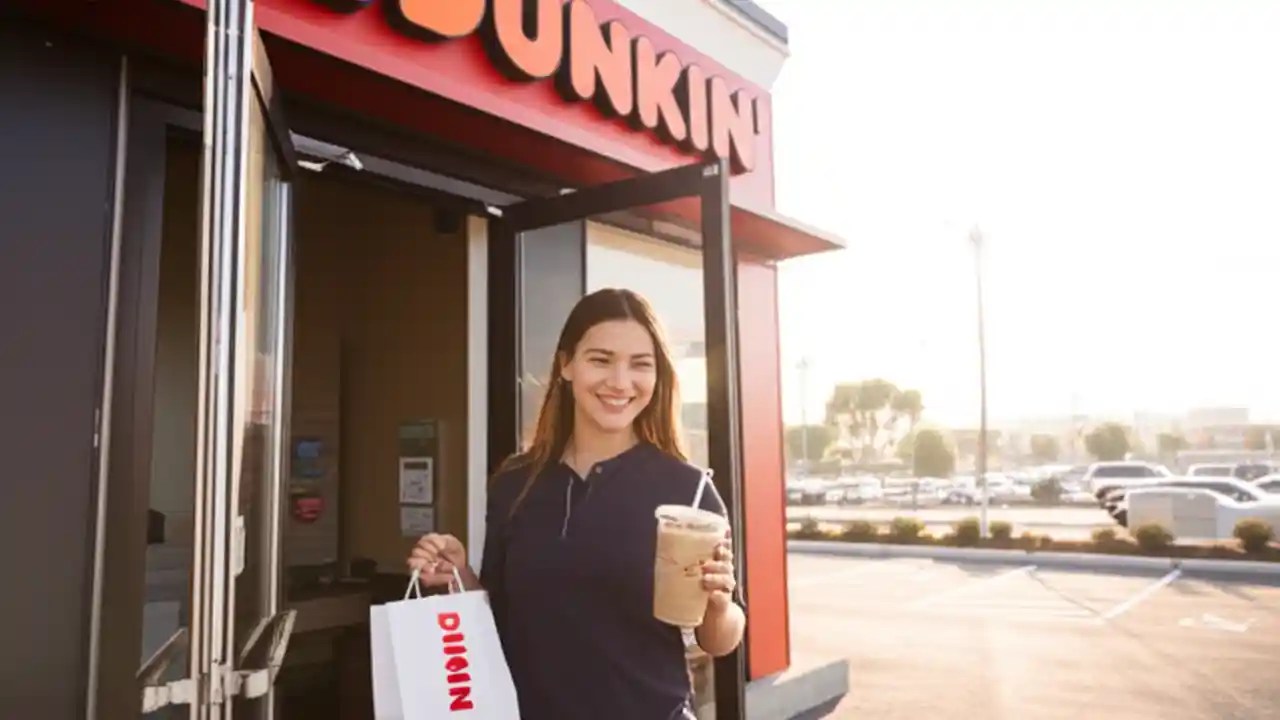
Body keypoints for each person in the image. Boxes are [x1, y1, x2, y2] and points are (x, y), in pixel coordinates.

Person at [408, 288, 745, 720]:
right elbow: (501, 613)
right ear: (566, 364)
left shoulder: (688, 490)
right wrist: (459, 577)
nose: (620, 382)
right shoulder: (516, 481)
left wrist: (719, 605)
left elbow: (721, 639)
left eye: (640, 364)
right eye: (600, 359)